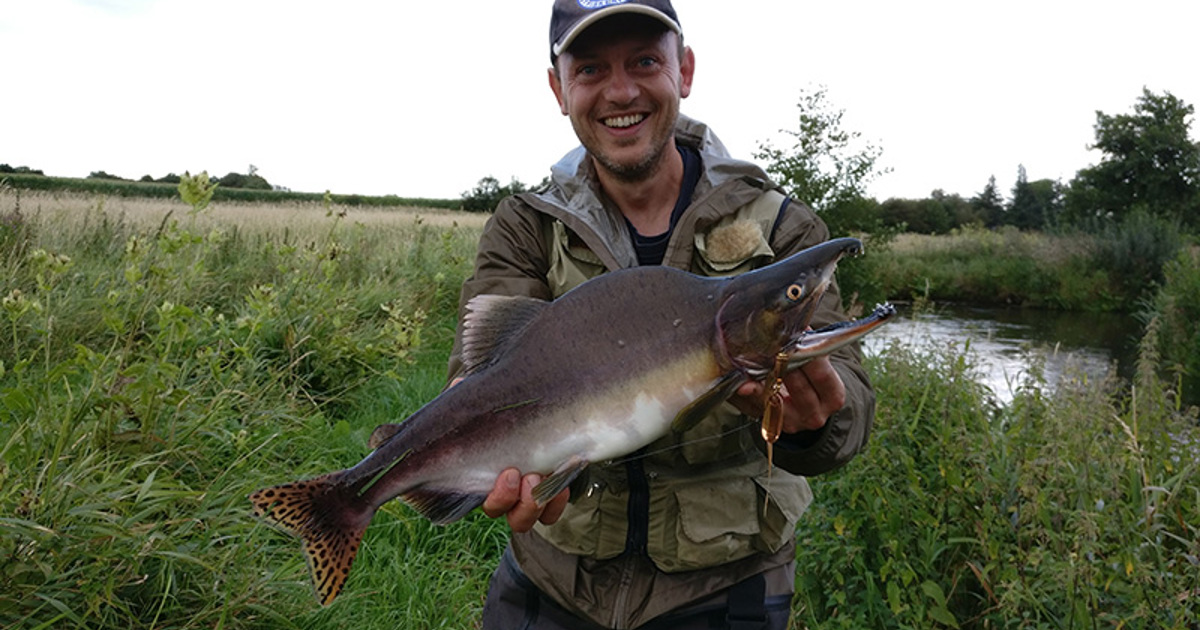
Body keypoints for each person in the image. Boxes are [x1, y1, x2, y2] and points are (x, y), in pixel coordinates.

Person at [447, 1, 875, 627]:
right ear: (558, 89)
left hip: (727, 590)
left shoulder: (783, 226)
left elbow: (852, 415)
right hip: (551, 582)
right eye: (590, 69)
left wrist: (811, 425)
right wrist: (465, 415)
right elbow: (478, 368)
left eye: (645, 61)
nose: (621, 91)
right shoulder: (526, 225)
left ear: (686, 70)